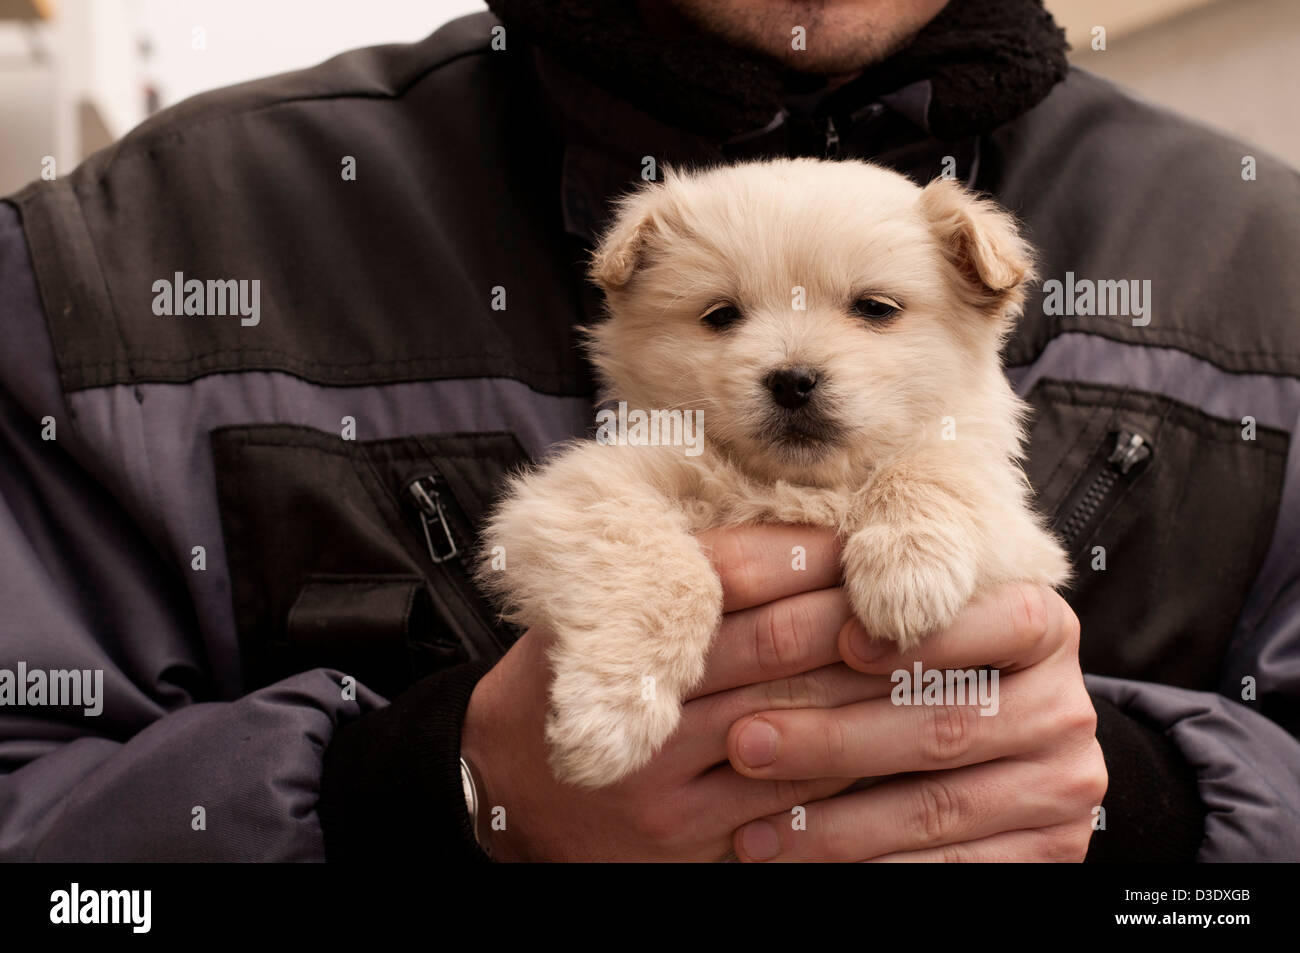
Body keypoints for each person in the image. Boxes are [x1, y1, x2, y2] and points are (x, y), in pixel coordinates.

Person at [0, 0, 1296, 862]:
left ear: (977, 297)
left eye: (873, 309)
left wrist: (1151, 802)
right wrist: (419, 796)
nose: (790, 364)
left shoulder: (1266, 266)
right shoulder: (94, 263)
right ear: (616, 302)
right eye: (722, 314)